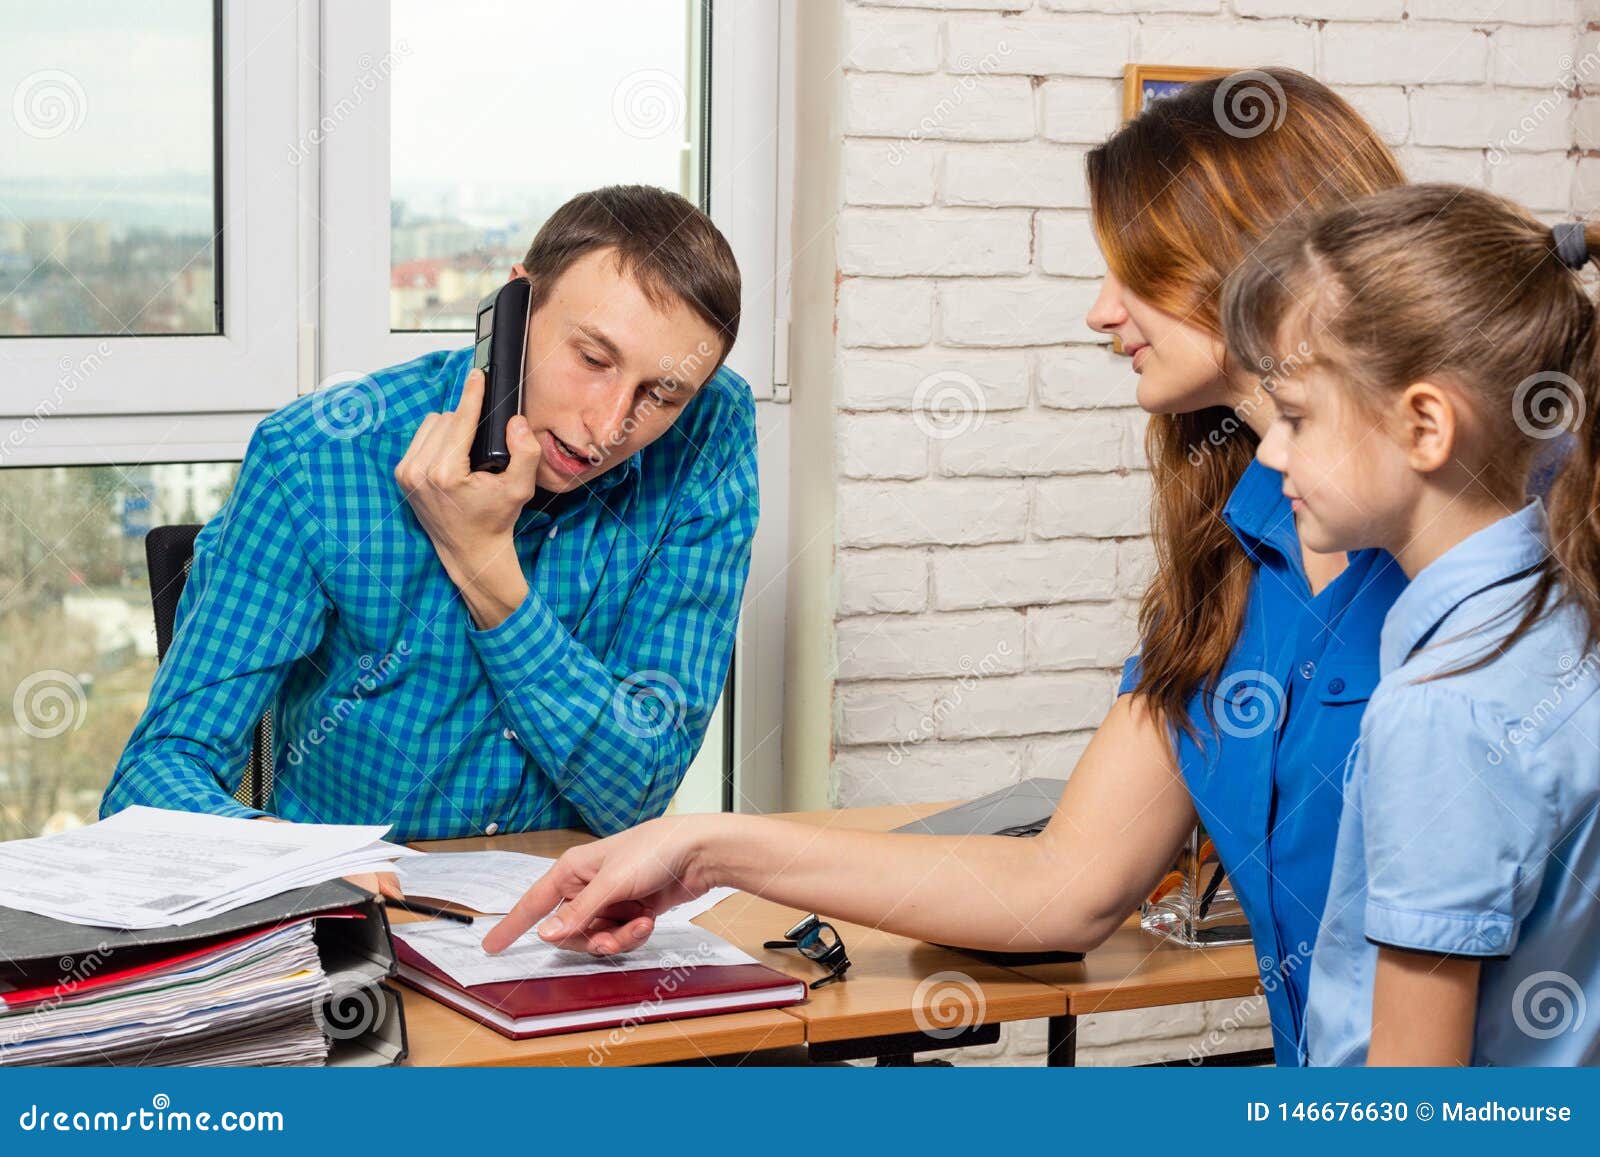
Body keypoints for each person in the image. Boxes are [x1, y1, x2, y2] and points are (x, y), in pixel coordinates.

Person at [482, 69, 1408, 1067]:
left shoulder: (1451, 545)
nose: (1100, 312)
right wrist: (705, 847)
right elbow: (1062, 886)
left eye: (1133, 270)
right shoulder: (1236, 555)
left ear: (1255, 264)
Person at [101, 185, 759, 847]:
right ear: (516, 307)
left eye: (662, 393)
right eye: (591, 359)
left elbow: (635, 794)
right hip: (357, 906)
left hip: (568, 921)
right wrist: (297, 867)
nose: (610, 424)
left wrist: (486, 566)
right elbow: (152, 780)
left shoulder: (711, 431)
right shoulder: (319, 455)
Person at [1222, 182, 1600, 1066]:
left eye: (1297, 417)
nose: (1271, 451)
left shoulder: (1445, 711)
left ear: (1425, 424)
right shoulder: (1561, 619)